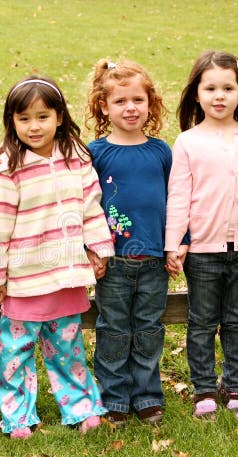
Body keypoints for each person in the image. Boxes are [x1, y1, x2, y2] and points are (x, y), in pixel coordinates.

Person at [0, 76, 115, 440]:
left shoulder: (76, 160)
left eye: (42, 116)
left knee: (67, 349)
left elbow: (91, 208)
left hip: (66, 274)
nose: (34, 126)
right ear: (12, 122)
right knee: (16, 353)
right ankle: (17, 415)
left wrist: (97, 248)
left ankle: (81, 407)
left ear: (59, 116)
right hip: (24, 280)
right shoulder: (8, 169)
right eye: (23, 118)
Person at [165, 50, 238, 421]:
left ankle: (235, 387)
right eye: (210, 87)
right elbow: (179, 198)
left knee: (236, 321)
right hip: (202, 250)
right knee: (201, 321)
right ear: (196, 94)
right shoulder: (188, 142)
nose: (219, 95)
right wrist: (173, 243)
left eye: (228, 87)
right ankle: (203, 389)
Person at [85, 58, 186, 427]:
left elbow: (177, 199)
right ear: (104, 106)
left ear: (150, 104)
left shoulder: (161, 151)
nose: (130, 108)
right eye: (120, 101)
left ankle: (146, 396)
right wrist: (90, 248)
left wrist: (180, 242)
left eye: (138, 100)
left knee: (147, 329)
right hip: (111, 261)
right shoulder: (95, 153)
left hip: (155, 260)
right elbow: (85, 204)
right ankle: (113, 397)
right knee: (113, 330)